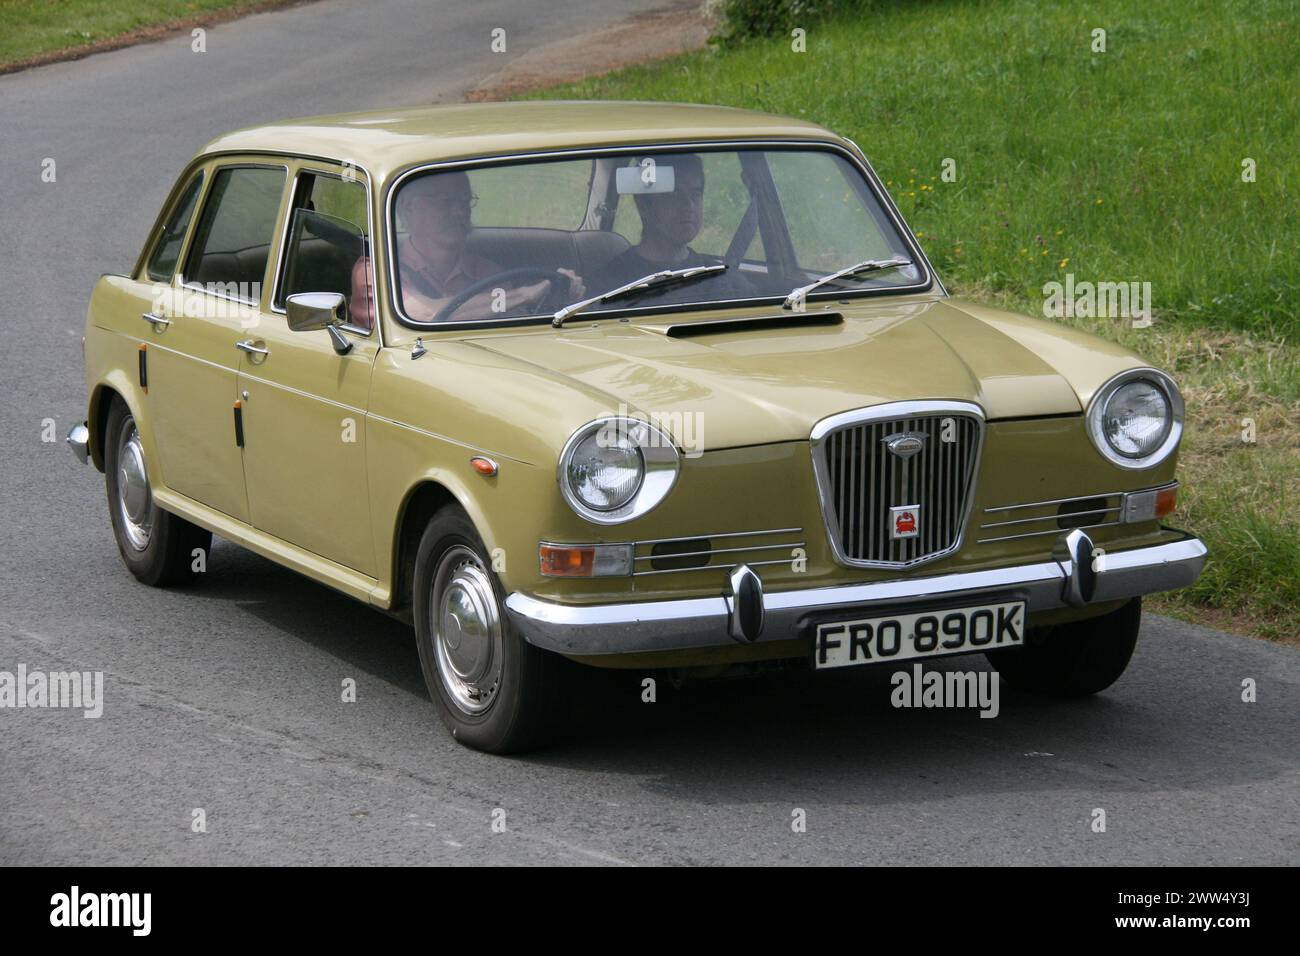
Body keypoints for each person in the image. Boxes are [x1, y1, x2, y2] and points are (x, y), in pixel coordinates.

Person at [395, 171, 582, 322]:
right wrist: (524, 295)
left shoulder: (489, 273)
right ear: (409, 208)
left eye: (465, 202)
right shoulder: (380, 273)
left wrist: (559, 301)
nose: (460, 211)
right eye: (445, 201)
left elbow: (514, 327)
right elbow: (423, 314)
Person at [597, 153, 742, 300]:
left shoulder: (719, 278)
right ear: (643, 205)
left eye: (695, 194)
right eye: (674, 195)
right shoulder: (613, 281)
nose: (688, 205)